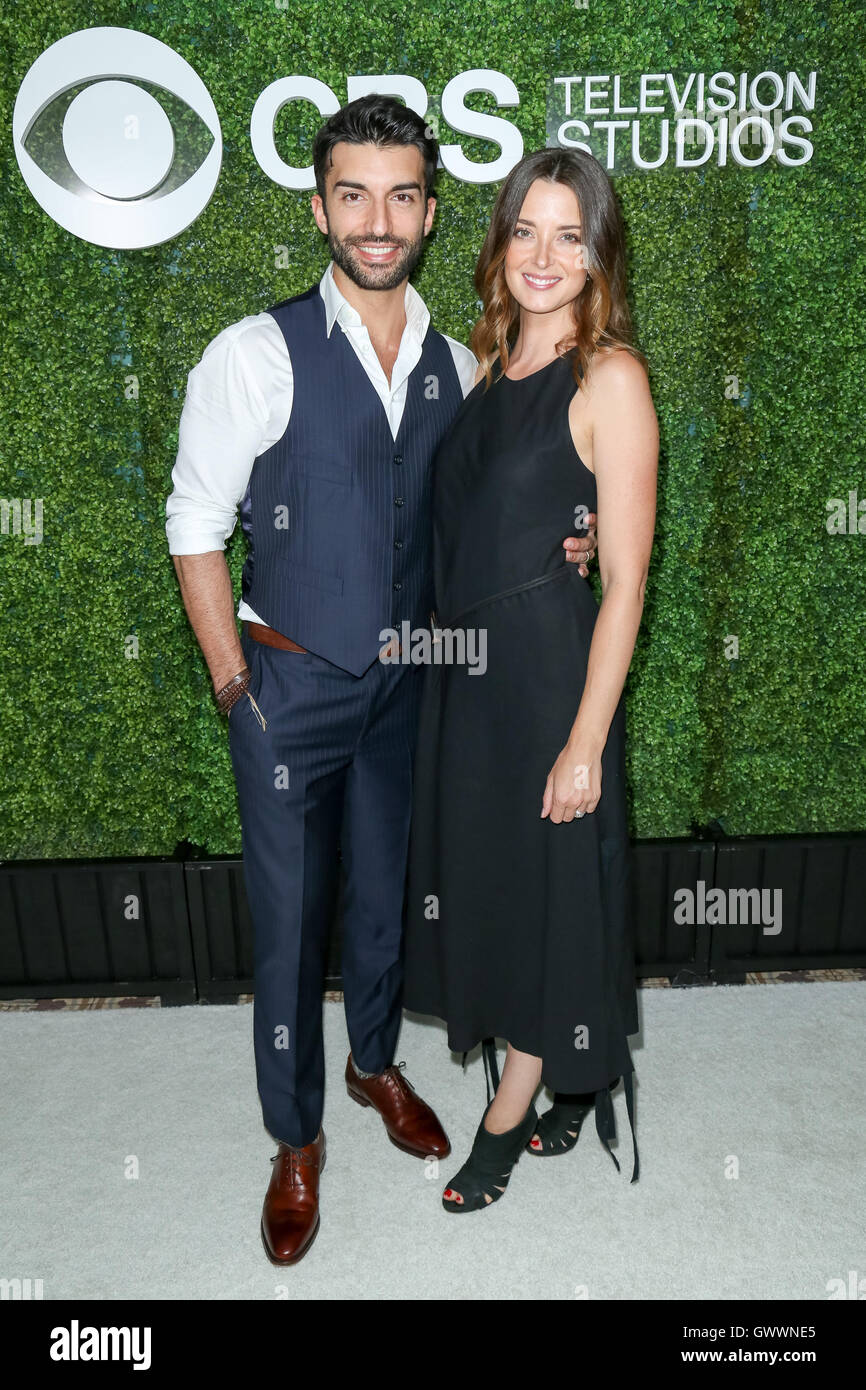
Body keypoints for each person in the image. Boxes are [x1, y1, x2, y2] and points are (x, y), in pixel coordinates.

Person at [165, 98, 597, 1264]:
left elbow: (508, 498)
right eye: (351, 193)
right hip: (288, 685)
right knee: (288, 928)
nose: (376, 219)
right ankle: (294, 1139)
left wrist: (578, 536)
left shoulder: (461, 362)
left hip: (412, 685)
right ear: (319, 208)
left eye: (400, 194)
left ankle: (370, 1068)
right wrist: (232, 688)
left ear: (427, 208)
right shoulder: (252, 352)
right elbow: (194, 528)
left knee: (381, 908)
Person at [403, 146, 658, 1211]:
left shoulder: (611, 378)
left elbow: (627, 580)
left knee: (544, 894)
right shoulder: (487, 358)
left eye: (567, 234)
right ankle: (565, 1072)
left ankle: (509, 1110)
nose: (541, 255)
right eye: (523, 230)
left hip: (552, 679)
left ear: (597, 253)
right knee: (497, 891)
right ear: (499, 243)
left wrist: (585, 741)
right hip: (470, 684)